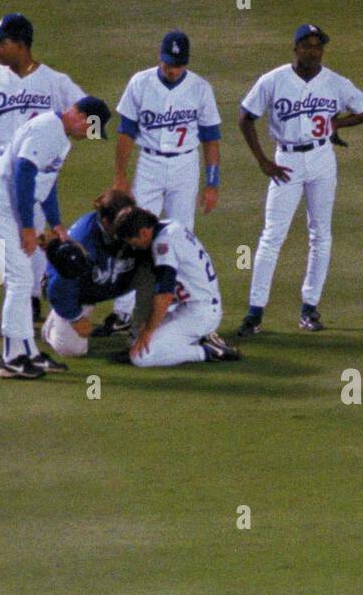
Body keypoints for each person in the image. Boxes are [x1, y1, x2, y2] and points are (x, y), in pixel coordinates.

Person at [236, 23, 363, 336]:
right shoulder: (273, 80)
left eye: (319, 46)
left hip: (323, 159)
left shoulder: (335, 82)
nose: (314, 51)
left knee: (321, 234)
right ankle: (255, 313)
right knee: (272, 236)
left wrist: (338, 122)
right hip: (286, 160)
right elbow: (245, 117)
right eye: (308, 45)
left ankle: (309, 308)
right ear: (295, 48)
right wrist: (262, 161)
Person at [0, 12, 85, 325]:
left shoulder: (54, 82)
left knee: (33, 239)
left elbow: (87, 111)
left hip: (35, 176)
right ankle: (23, 301)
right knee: (8, 244)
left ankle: (30, 299)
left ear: (20, 44)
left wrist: (68, 135)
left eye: (1, 42)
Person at [0, 96, 112, 378]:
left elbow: (46, 183)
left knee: (24, 280)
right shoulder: (48, 129)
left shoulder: (61, 138)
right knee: (20, 279)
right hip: (1, 204)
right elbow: (24, 175)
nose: (89, 135)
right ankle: (12, 358)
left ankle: (29, 352)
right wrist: (27, 227)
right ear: (78, 114)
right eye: (91, 128)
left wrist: (56, 223)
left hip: (15, 205)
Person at [101, 29, 222, 337]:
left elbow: (210, 138)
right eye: (169, 63)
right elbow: (126, 131)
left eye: (179, 65)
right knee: (132, 234)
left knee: (181, 235)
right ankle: (124, 312)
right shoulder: (140, 83)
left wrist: (212, 183)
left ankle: (177, 309)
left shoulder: (200, 88)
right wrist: (119, 176)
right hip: (150, 164)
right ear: (160, 57)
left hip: (185, 164)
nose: (173, 70)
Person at [111, 207, 240, 366]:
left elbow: (165, 294)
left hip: (200, 312)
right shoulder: (168, 225)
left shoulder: (164, 242)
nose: (133, 246)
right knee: (137, 340)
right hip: (189, 304)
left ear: (144, 232)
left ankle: (207, 351)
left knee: (141, 357)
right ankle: (194, 339)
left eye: (133, 241)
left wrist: (148, 331)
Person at [40, 191, 148, 357]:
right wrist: (75, 317)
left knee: (153, 271)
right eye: (121, 223)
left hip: (111, 280)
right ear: (105, 221)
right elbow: (58, 287)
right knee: (71, 349)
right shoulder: (83, 241)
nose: (127, 226)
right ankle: (51, 327)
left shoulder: (135, 225)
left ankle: (141, 330)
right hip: (78, 291)